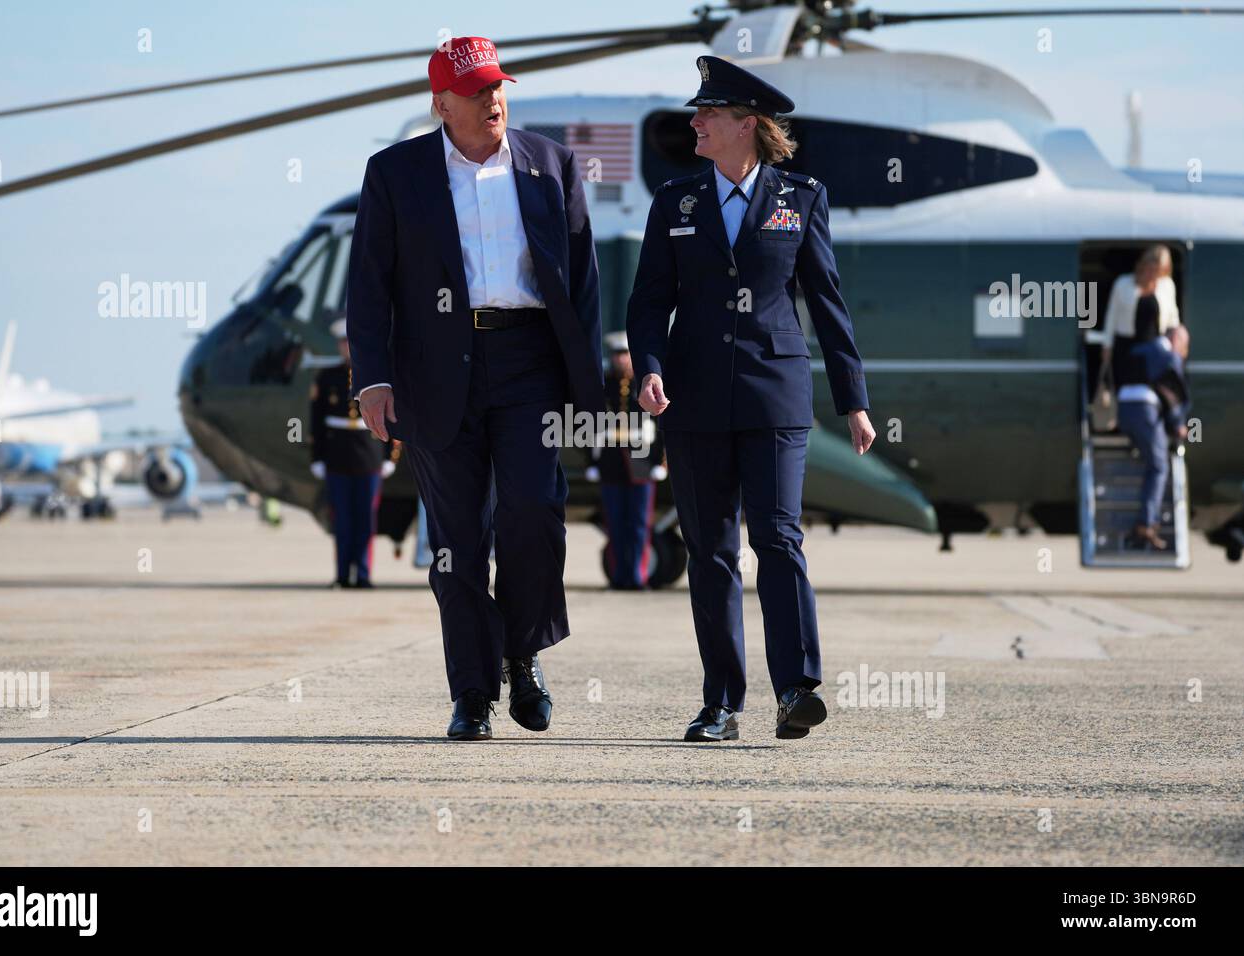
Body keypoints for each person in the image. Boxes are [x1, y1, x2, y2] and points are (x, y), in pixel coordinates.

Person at [346, 37, 604, 740]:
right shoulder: (395, 173)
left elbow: (581, 281)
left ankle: (523, 653)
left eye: (498, 86)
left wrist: (588, 386)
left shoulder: (550, 164)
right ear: (441, 103)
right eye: (475, 90)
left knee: (531, 513)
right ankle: (472, 694)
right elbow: (367, 286)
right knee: (456, 541)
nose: (493, 98)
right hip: (435, 370)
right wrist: (371, 380)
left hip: (530, 362)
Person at [627, 56, 875, 743]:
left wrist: (852, 398)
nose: (695, 121)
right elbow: (649, 302)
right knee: (709, 551)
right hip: (694, 399)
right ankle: (722, 704)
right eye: (697, 112)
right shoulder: (675, 199)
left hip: (775, 396)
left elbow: (828, 305)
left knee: (777, 539)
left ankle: (796, 688)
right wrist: (647, 368)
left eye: (709, 113)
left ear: (748, 124)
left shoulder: (802, 197)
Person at [309, 316, 393, 588]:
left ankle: (364, 575)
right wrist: (318, 457)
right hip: (337, 455)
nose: (347, 348)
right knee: (342, 521)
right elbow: (316, 421)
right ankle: (343, 575)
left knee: (366, 521)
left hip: (369, 455)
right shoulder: (327, 377)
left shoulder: (377, 376)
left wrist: (390, 456)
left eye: (350, 342)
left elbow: (391, 416)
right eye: (343, 343)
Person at [586, 331, 667, 590]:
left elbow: (660, 428)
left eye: (625, 354)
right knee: (615, 524)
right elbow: (590, 426)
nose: (621, 360)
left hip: (641, 462)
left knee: (640, 525)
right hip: (610, 462)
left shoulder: (645, 386)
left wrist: (660, 462)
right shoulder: (604, 386)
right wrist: (593, 463)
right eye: (617, 354)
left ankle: (637, 577)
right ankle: (619, 577)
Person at [1116, 326, 1191, 551]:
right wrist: (1178, 424)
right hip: (1145, 411)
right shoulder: (1169, 356)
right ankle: (1146, 524)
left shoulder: (1138, 350)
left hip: (1124, 409)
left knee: (1147, 452)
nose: (1183, 351)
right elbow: (1173, 392)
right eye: (1184, 344)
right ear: (1175, 338)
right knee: (1159, 466)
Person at [1099, 244, 1181, 395]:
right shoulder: (1123, 283)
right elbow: (1112, 315)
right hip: (1125, 347)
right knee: (1124, 393)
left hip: (1154, 348)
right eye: (1152, 268)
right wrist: (1107, 345)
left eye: (1159, 270)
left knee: (1152, 394)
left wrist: (1175, 341)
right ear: (1143, 265)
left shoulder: (1167, 286)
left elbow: (1173, 318)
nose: (1154, 274)